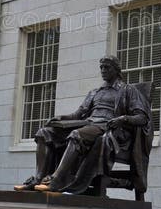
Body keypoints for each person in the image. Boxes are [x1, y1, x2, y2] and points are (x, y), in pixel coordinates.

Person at [14, 56, 152, 195]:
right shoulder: (95, 92)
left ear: (116, 70)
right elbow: (78, 115)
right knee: (45, 132)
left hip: (108, 127)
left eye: (107, 67)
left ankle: (56, 180)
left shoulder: (128, 90)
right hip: (88, 124)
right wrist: (61, 117)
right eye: (101, 67)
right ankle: (38, 179)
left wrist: (123, 119)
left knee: (77, 134)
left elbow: (142, 118)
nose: (103, 70)